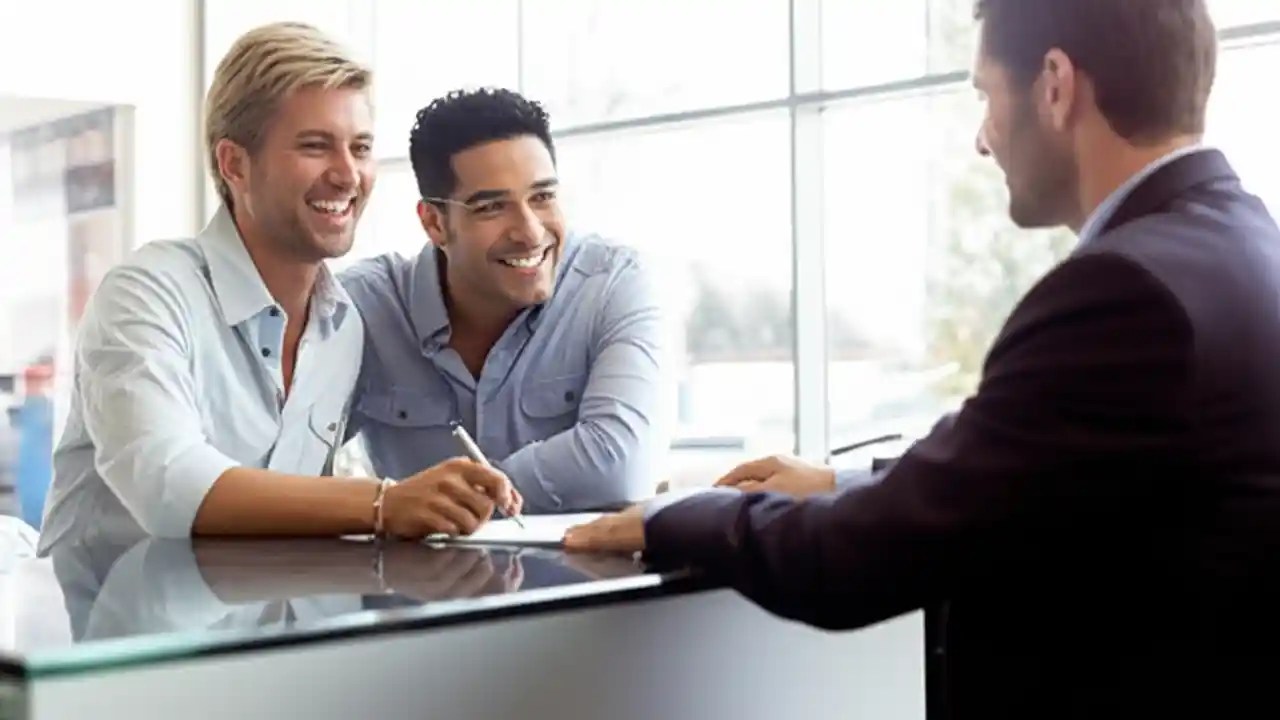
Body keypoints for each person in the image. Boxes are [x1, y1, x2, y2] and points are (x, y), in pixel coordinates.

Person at [566, 0, 1280, 715]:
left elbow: (859, 562)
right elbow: (1044, 464)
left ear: (1055, 85)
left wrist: (680, 516)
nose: (982, 139)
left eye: (985, 95)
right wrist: (838, 480)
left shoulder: (1122, 291)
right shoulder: (1248, 249)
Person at [37, 23, 519, 555]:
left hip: (252, 632)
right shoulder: (148, 294)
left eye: (359, 147)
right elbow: (168, 485)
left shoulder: (342, 328)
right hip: (107, 628)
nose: (347, 175)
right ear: (234, 164)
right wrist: (384, 504)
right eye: (315, 147)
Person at [340, 88, 669, 514]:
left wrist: (445, 500)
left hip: (588, 580)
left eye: (542, 197)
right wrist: (381, 507)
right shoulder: (365, 308)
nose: (531, 232)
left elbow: (622, 463)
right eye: (493, 207)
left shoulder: (614, 283)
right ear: (435, 224)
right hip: (419, 581)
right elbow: (288, 460)